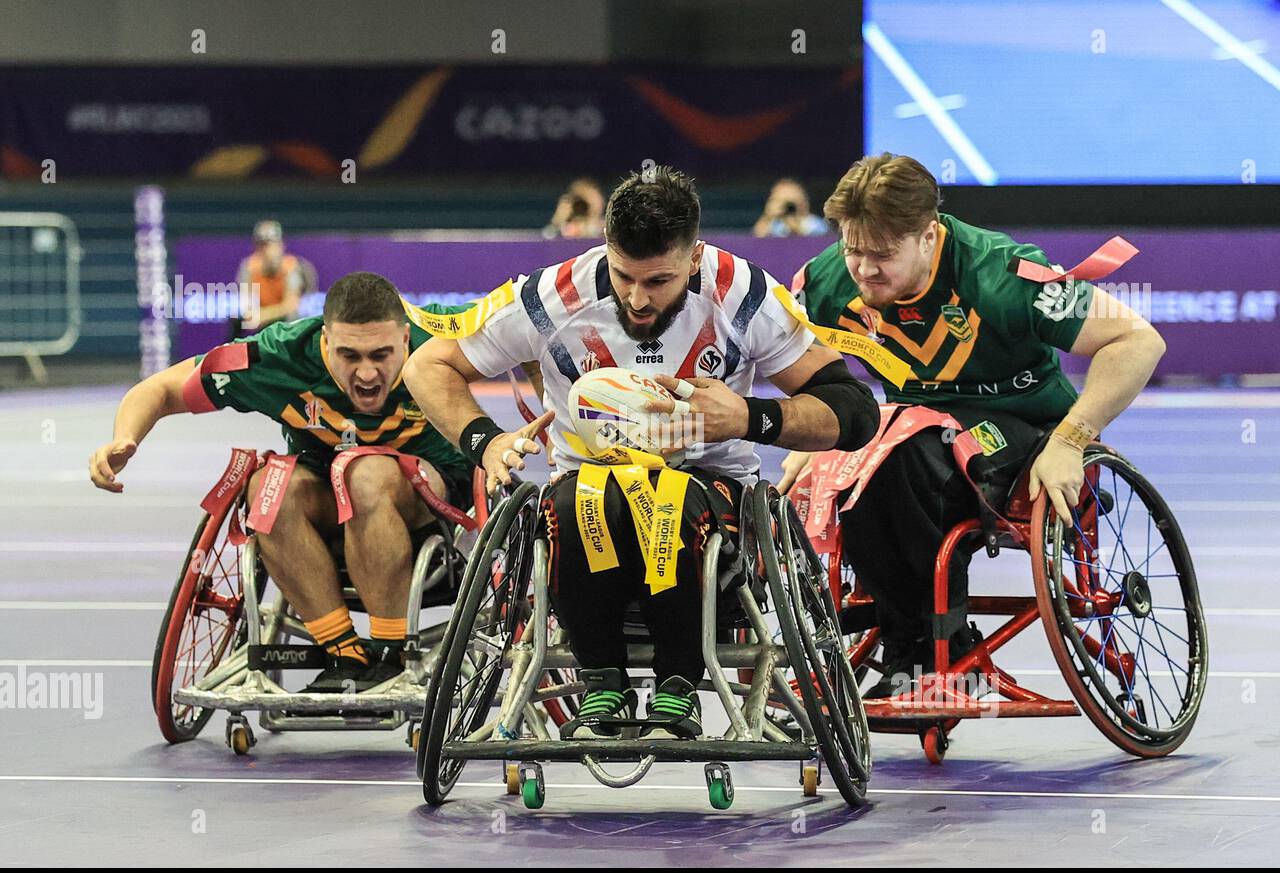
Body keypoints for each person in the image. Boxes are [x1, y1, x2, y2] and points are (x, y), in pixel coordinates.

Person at [405, 166, 878, 740]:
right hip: (586, 481)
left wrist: (750, 417)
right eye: (624, 275)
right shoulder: (554, 296)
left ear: (695, 257)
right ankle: (602, 682)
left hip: (708, 485)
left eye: (658, 281)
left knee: (669, 497)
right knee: (584, 498)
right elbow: (428, 364)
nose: (637, 297)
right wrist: (488, 441)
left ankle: (678, 686)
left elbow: (853, 409)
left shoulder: (743, 294)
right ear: (605, 249)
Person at [781, 153, 1166, 698]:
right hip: (904, 432)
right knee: (849, 467)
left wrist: (1071, 440)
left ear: (929, 236)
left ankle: (935, 646)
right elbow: (801, 364)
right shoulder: (823, 282)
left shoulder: (1000, 274)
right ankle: (916, 644)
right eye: (853, 250)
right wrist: (816, 428)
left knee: (905, 452)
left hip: (1025, 432)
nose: (864, 269)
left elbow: (1137, 342)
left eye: (883, 254)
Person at [90, 272, 475, 692]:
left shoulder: (445, 330)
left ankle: (389, 654)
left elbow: (530, 328)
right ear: (325, 340)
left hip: (430, 506)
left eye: (381, 354)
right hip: (329, 503)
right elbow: (162, 389)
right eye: (350, 355)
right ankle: (345, 654)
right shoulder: (278, 357)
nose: (367, 374)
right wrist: (125, 438)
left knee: (364, 472)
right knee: (268, 490)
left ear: (406, 339)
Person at [233, 220, 314, 338]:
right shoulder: (249, 267)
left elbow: (289, 306)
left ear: (281, 245)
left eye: (271, 245)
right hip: (261, 317)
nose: (267, 251)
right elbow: (247, 305)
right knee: (235, 321)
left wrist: (264, 315)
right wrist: (253, 315)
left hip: (284, 318)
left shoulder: (291, 267)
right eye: (262, 245)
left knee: (292, 320)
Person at [752, 178, 831, 238]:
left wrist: (795, 225)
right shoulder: (774, 224)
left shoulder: (815, 223)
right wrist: (768, 216)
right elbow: (757, 241)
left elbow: (818, 244)